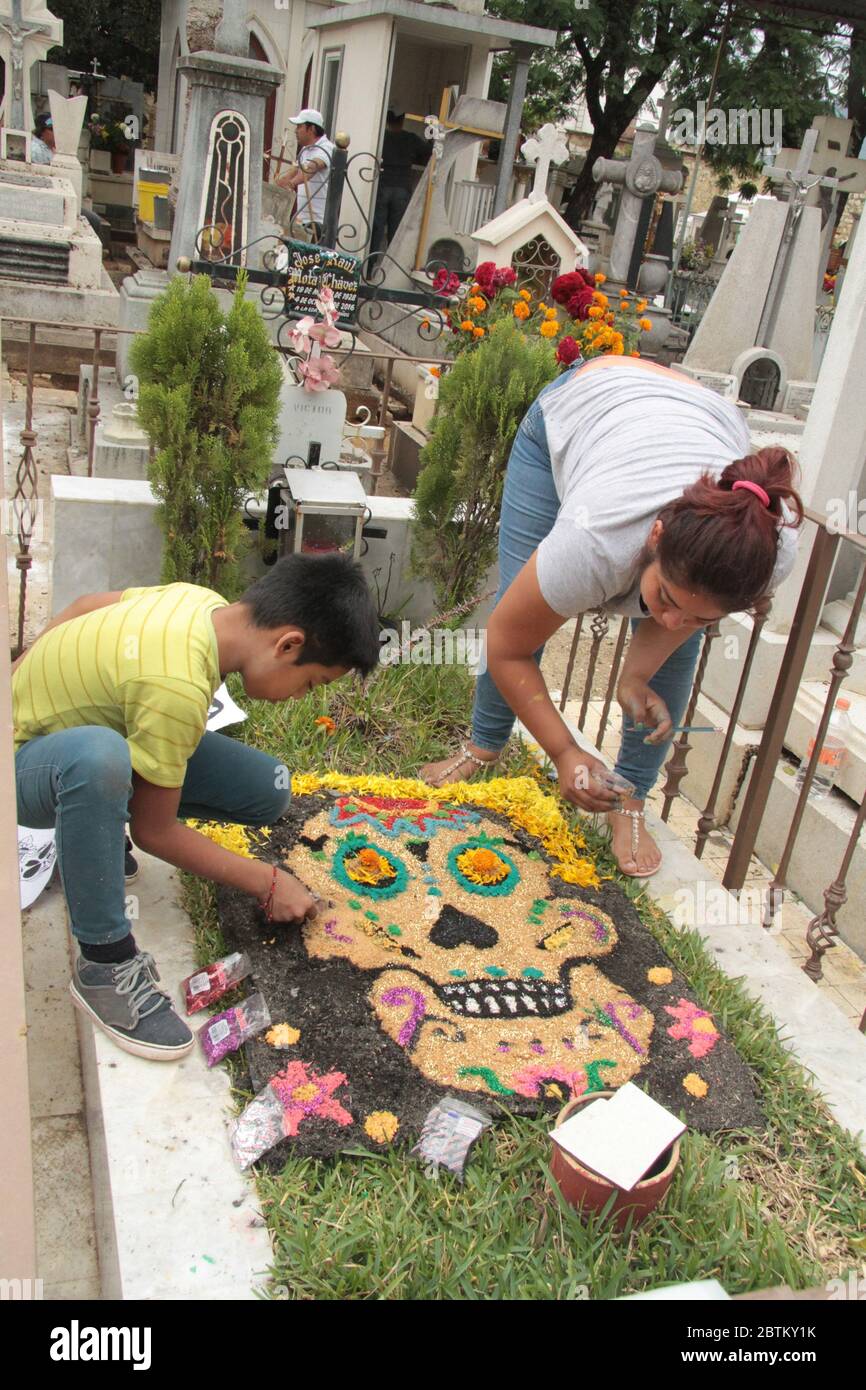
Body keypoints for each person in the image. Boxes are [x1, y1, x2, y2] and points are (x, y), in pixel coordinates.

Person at [421, 354, 803, 879]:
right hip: (583, 405)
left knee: (679, 642)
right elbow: (506, 644)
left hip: (692, 416)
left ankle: (631, 798)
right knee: (520, 604)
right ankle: (484, 745)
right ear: (656, 538)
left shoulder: (765, 551)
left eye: (700, 616)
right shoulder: (595, 541)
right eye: (665, 598)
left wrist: (638, 674)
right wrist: (564, 752)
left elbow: (681, 613)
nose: (669, 621)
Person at [13, 554, 381, 1062]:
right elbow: (155, 831)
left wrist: (26, 665)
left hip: (85, 740)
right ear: (288, 644)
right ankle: (103, 964)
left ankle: (96, 825)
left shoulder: (201, 603)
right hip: (26, 764)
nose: (300, 698)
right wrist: (268, 881)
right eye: (311, 684)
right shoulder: (177, 685)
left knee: (266, 787)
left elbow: (81, 607)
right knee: (99, 758)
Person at [29, 112, 104, 239]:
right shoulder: (36, 150)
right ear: (42, 132)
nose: (56, 133)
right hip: (48, 202)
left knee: (94, 220)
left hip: (59, 200)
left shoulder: (50, 150)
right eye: (52, 129)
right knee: (93, 221)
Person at [372, 110, 430, 252]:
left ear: (387, 121)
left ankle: (370, 264)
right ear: (403, 121)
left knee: (377, 229)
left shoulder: (382, 137)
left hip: (383, 185)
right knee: (396, 231)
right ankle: (390, 264)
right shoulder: (410, 138)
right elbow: (428, 153)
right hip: (402, 187)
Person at [276, 108, 335, 242]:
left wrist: (292, 183)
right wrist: (281, 182)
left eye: (300, 126)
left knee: (309, 260)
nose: (296, 131)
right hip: (302, 218)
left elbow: (311, 169)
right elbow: (295, 170)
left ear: (312, 129)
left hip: (318, 222)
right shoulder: (305, 149)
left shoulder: (326, 148)